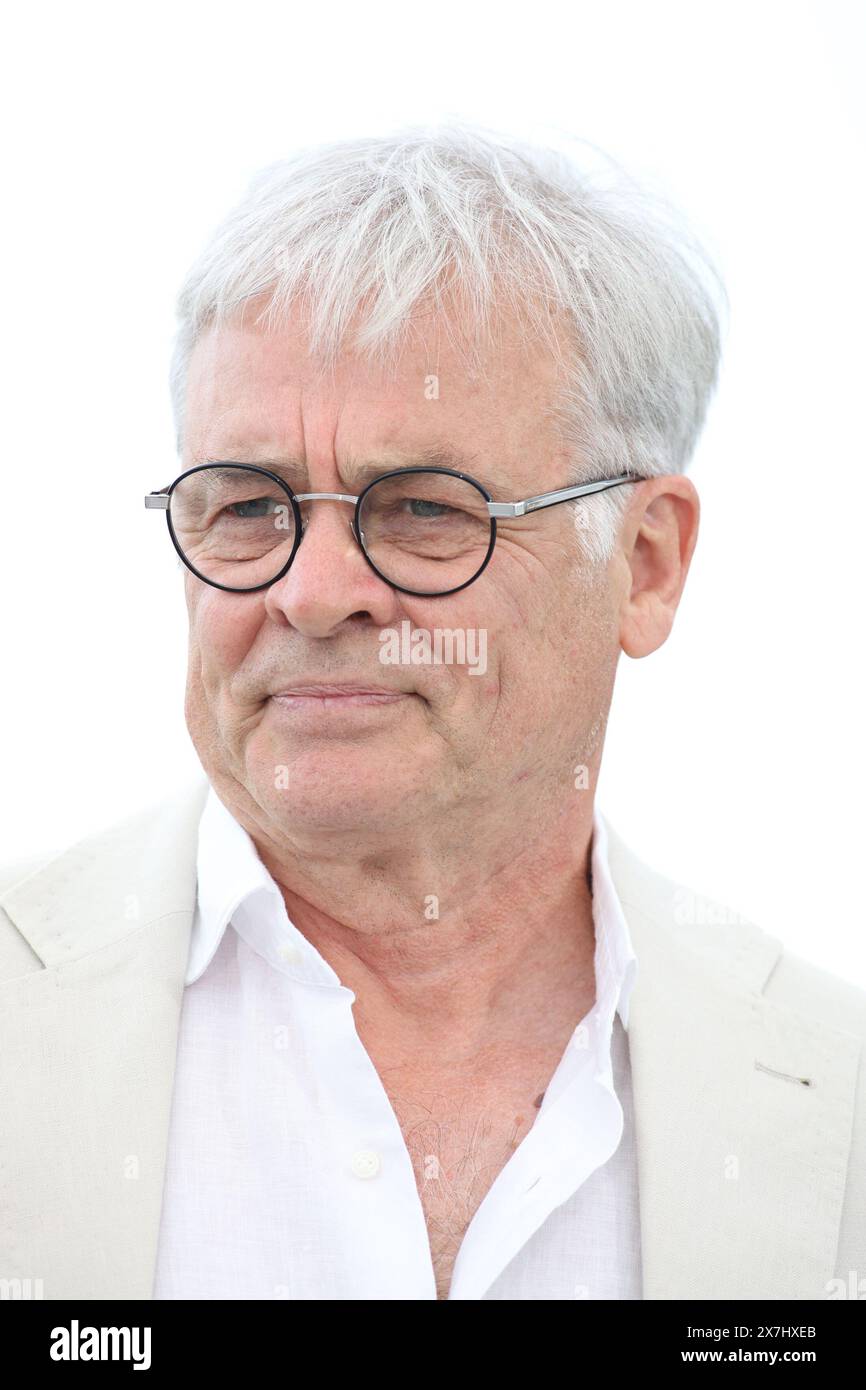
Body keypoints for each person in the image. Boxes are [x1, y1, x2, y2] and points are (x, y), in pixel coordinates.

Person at [1, 122, 863, 1302]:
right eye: (247, 506)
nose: (310, 591)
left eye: (419, 507)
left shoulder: (835, 1097)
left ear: (645, 564)